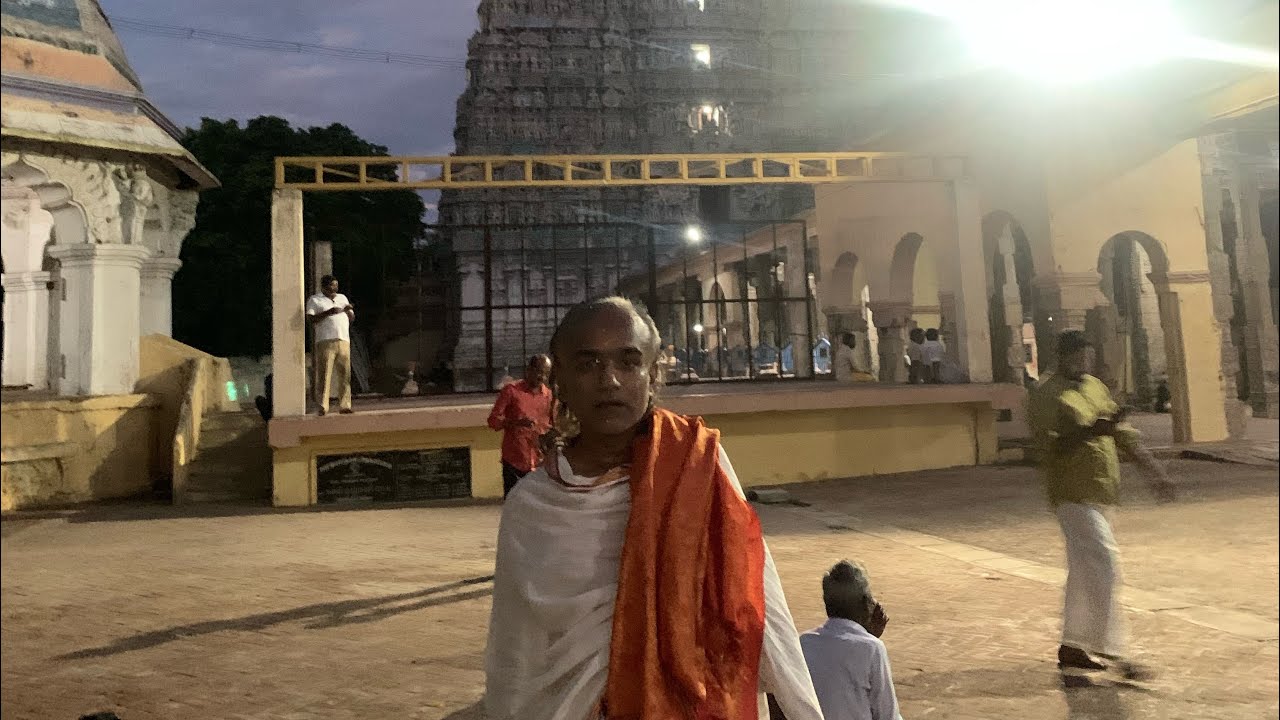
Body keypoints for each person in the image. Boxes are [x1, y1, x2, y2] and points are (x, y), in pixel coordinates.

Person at [485, 297, 823, 720]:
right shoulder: (532, 506)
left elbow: (758, 607)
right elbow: (515, 651)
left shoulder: (697, 464)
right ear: (561, 380)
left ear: (654, 373)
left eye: (629, 362)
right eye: (587, 364)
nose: (609, 380)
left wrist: (799, 708)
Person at [1028, 330, 1177, 680]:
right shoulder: (1046, 394)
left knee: (1084, 569)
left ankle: (1073, 645)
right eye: (1077, 358)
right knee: (1104, 561)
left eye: (1088, 358)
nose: (1083, 364)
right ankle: (1114, 648)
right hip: (1071, 492)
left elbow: (1123, 434)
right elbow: (1049, 447)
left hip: (1102, 489)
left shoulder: (1095, 386)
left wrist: (1156, 473)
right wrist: (1092, 430)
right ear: (1060, 357)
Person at [800, 561, 900, 720]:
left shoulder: (804, 642)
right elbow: (887, 714)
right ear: (865, 603)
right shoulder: (872, 649)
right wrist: (871, 638)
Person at [486, 354, 553, 497]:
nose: (541, 377)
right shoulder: (511, 391)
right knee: (514, 505)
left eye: (546, 374)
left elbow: (553, 426)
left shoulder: (549, 396)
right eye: (539, 372)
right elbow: (493, 421)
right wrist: (516, 423)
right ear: (529, 370)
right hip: (515, 460)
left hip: (541, 463)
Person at [305, 275, 355, 415]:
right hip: (325, 340)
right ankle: (323, 406)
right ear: (324, 287)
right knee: (325, 374)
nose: (335, 288)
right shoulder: (315, 300)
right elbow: (311, 318)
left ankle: (345, 405)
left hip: (343, 339)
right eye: (332, 286)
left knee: (345, 374)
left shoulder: (342, 298)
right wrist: (329, 312)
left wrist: (348, 310)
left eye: (336, 285)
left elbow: (351, 317)